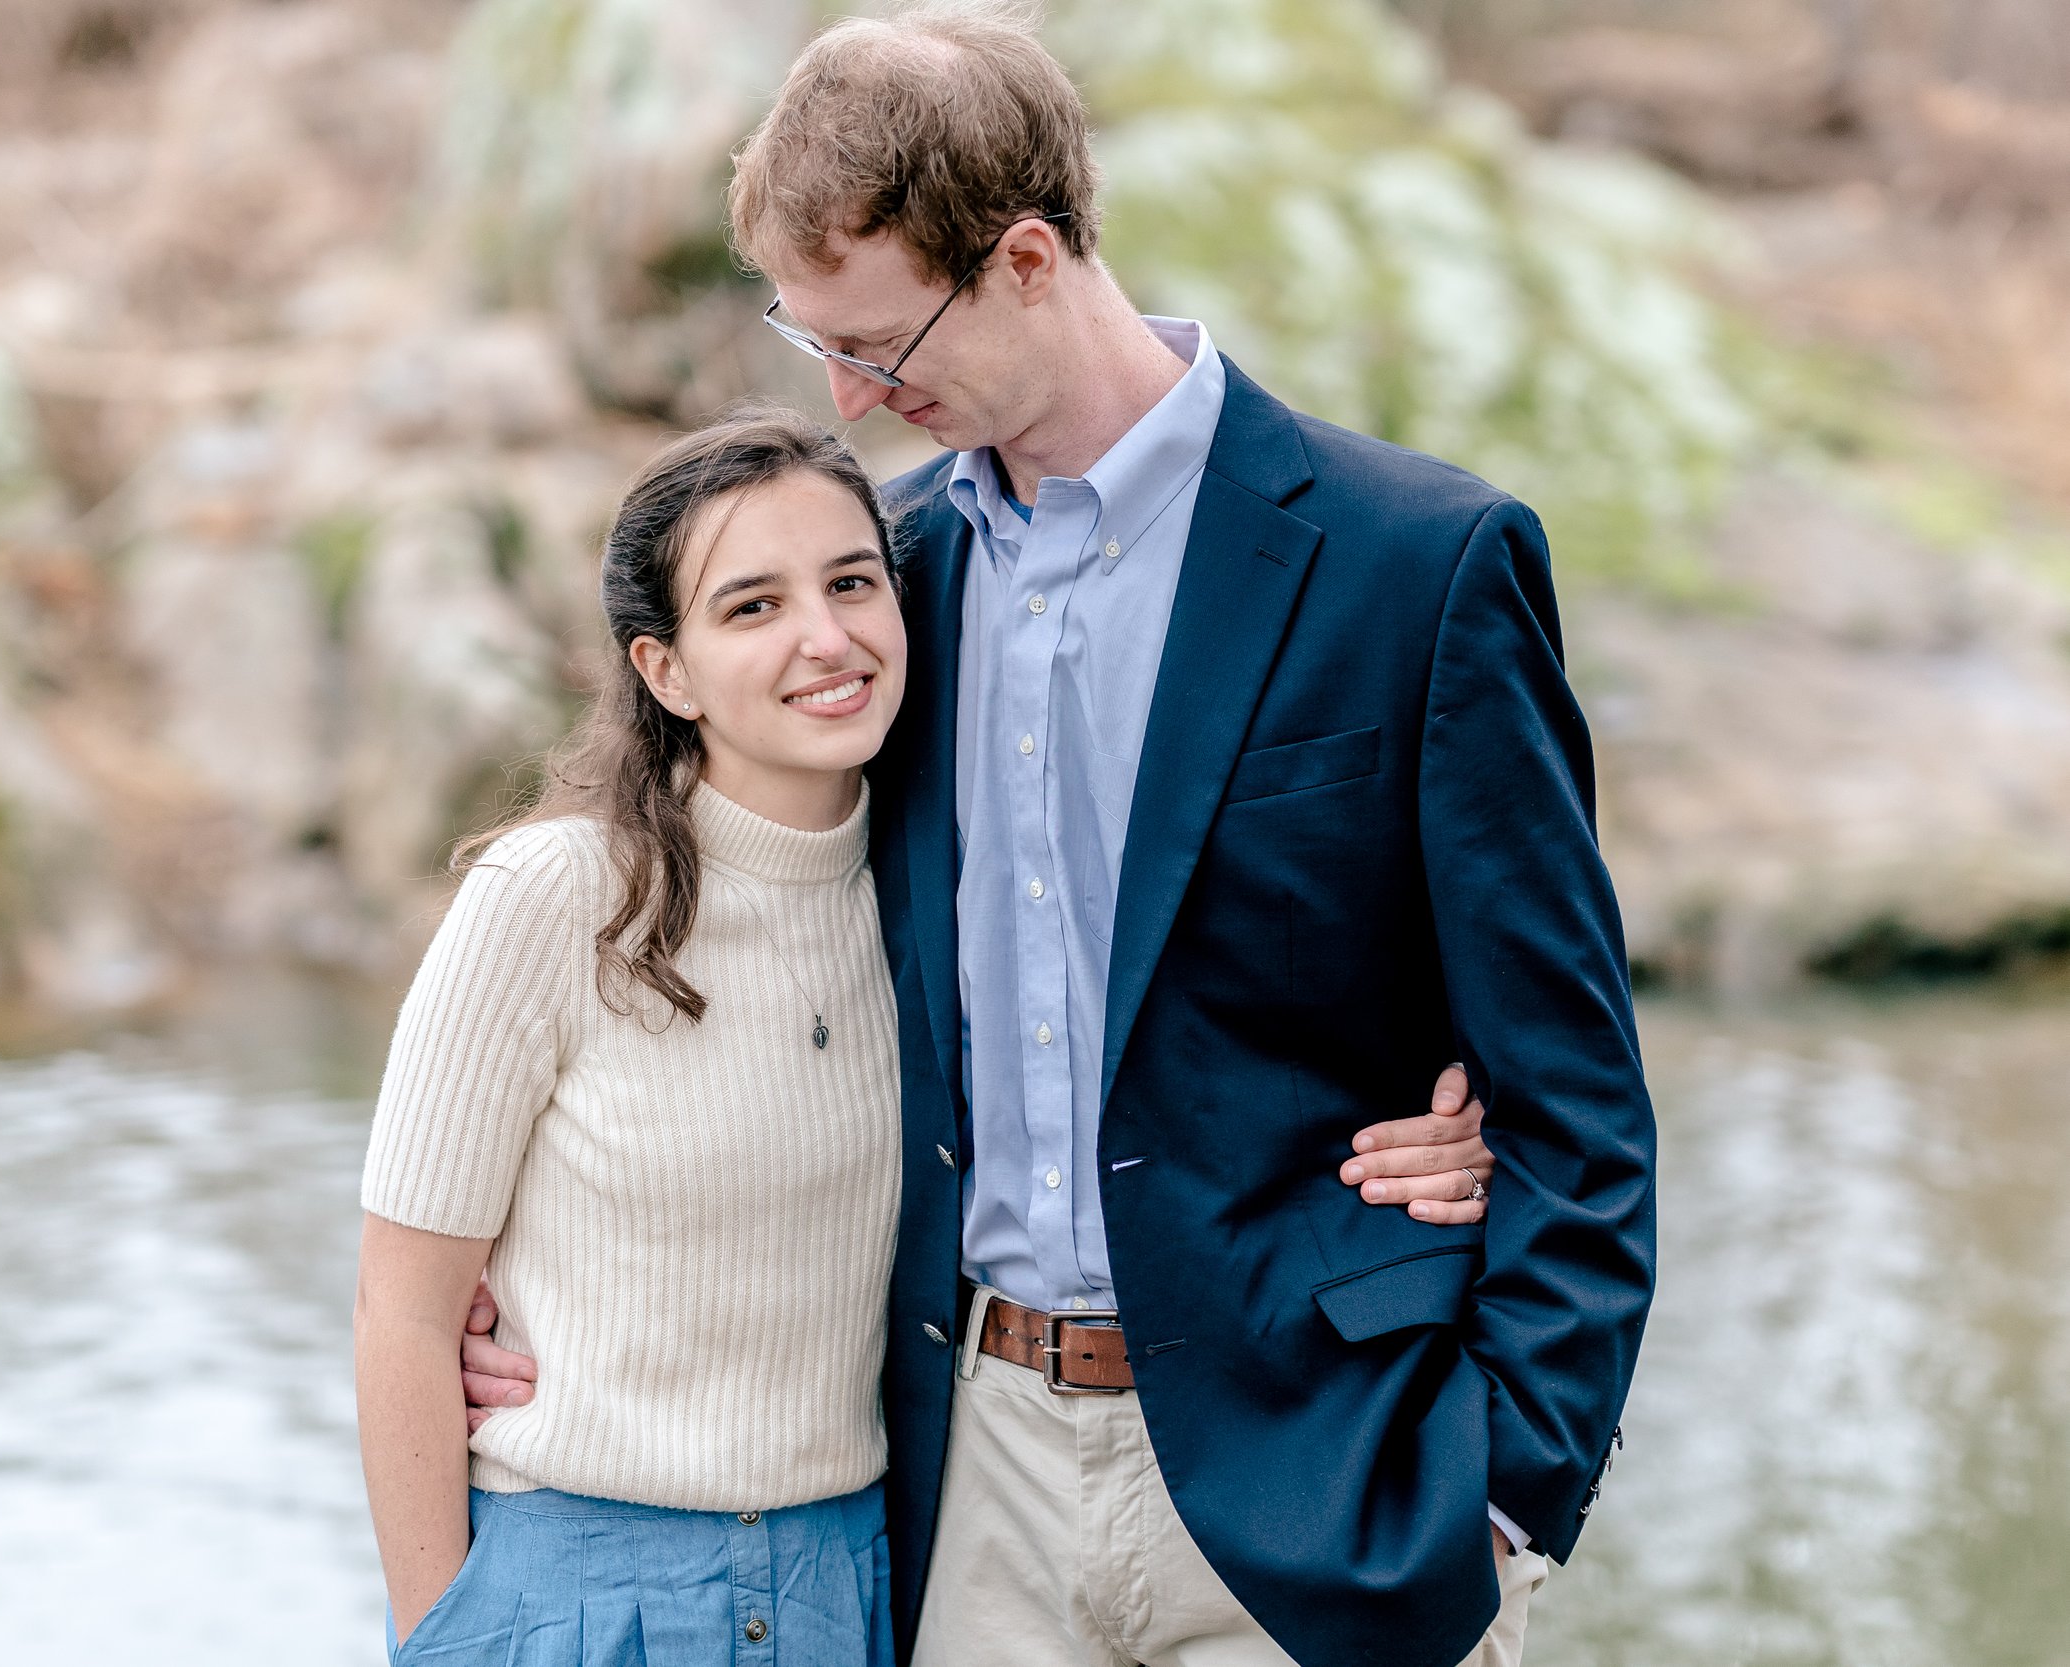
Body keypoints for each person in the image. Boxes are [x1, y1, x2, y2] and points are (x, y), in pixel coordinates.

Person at [464, 9, 1657, 1667]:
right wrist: (521, 1274)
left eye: (878, 346)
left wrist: (1507, 1499)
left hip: (1328, 1483)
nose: (848, 397)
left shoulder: (1416, 566)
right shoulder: (887, 592)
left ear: (1027, 258)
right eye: (813, 346)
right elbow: (732, 931)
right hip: (969, 1486)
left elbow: (1577, 1098)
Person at [356, 409, 1502, 1666]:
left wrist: (1427, 1143)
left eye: (851, 582)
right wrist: (442, 1633)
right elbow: (403, 1313)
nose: (825, 637)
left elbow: (1143, 1069)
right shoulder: (559, 894)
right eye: (750, 607)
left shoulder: (933, 906)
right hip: (580, 1583)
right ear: (663, 668)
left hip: (854, 1583)